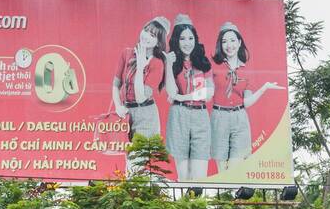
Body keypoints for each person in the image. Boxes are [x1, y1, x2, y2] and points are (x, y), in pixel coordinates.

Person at [210, 20, 284, 173]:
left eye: (232, 40)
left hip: (240, 118)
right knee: (222, 167)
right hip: (219, 117)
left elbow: (247, 102)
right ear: (220, 44)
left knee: (236, 166)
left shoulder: (247, 70)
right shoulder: (213, 66)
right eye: (224, 41)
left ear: (239, 42)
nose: (229, 45)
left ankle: (236, 193)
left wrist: (264, 88)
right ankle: (225, 195)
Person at [165, 15, 213, 182]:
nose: (187, 42)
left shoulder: (203, 62)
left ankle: (199, 206)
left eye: (190, 38)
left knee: (199, 176)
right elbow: (171, 92)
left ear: (195, 39)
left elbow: (208, 93)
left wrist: (183, 96)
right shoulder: (173, 63)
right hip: (179, 115)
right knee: (184, 176)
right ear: (176, 40)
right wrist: (168, 66)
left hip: (200, 116)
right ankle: (184, 206)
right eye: (182, 38)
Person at [113, 17, 170, 146]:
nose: (146, 36)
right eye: (146, 30)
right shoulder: (126, 53)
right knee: (129, 162)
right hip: (126, 115)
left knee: (138, 162)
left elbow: (140, 98)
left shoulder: (157, 63)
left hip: (146, 117)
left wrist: (140, 67)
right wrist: (118, 106)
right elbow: (116, 85)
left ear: (158, 42)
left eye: (153, 35)